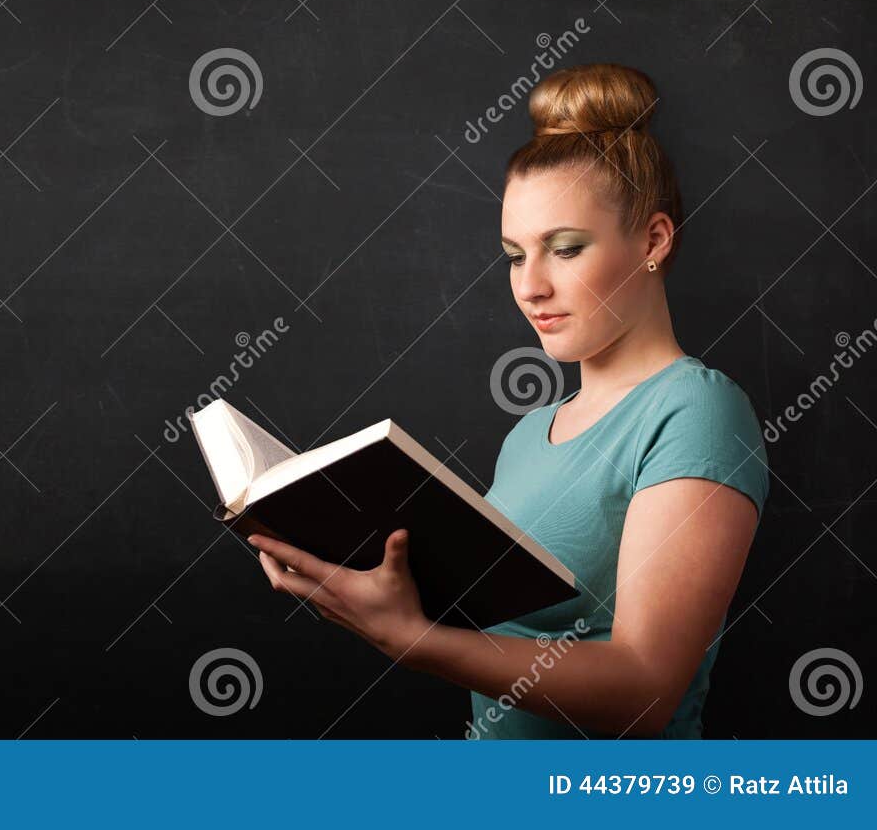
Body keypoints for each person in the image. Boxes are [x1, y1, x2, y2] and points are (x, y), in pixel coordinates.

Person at [249, 61, 769, 738]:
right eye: (515, 256)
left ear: (653, 240)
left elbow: (644, 688)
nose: (531, 286)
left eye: (566, 248)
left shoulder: (696, 412)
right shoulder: (526, 436)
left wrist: (416, 641)